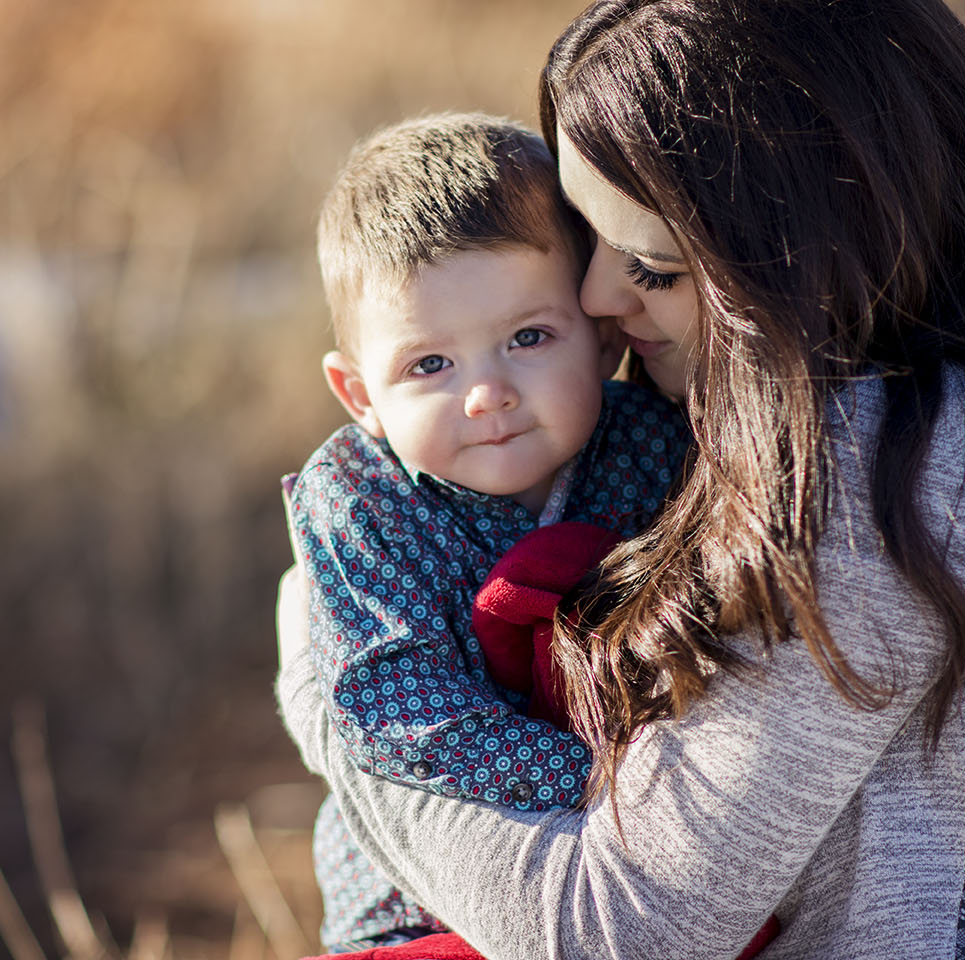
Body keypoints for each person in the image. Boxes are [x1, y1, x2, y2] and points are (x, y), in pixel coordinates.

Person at [277, 2, 965, 958]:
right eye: (591, 245)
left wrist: (330, 696)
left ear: (801, 245)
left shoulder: (892, 466)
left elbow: (620, 932)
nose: (599, 301)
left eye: (648, 266)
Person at [287, 113, 691, 950]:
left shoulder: (655, 443)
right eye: (430, 365)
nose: (487, 394)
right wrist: (601, 786)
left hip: (648, 869)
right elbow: (391, 703)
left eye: (528, 338)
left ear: (605, 336)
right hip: (419, 898)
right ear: (360, 396)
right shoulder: (360, 499)